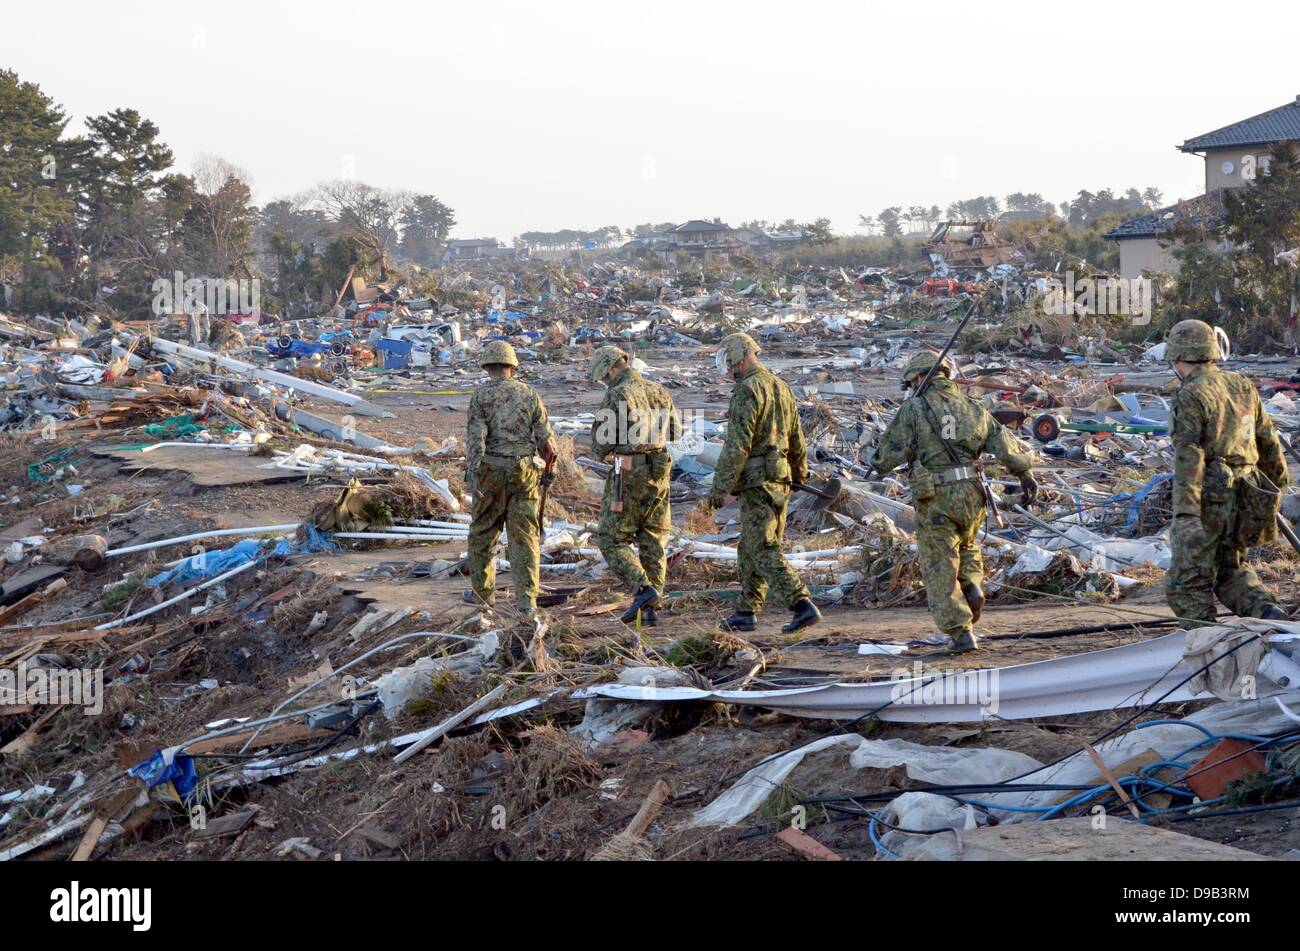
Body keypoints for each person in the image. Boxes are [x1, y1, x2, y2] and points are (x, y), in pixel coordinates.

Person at [871, 351, 1038, 653]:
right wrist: (1025, 472)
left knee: (940, 564)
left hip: (936, 495)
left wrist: (877, 459)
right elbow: (1005, 445)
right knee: (967, 547)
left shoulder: (914, 409)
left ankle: (960, 631)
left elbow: (886, 457)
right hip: (972, 494)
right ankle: (972, 585)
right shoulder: (973, 406)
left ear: (920, 377)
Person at [1163, 319, 1290, 627]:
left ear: (1177, 357)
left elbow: (1189, 458)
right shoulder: (1242, 386)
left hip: (1209, 499)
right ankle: (1271, 619)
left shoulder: (1190, 395)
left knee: (1186, 583)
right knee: (1230, 570)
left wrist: (1187, 515)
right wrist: (1277, 490)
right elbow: (1269, 443)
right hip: (1248, 493)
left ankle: (1206, 645)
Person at [707, 332, 821, 635]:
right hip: (780, 479)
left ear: (738, 359)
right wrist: (799, 475)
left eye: (729, 363)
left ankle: (801, 604)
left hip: (758, 482)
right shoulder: (781, 387)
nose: (729, 370)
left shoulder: (748, 389)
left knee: (762, 547)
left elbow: (737, 445)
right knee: (750, 547)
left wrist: (719, 488)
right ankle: (746, 610)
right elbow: (797, 438)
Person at [589, 346, 681, 626]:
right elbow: (676, 432)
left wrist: (606, 451)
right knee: (653, 538)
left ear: (609, 368)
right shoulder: (658, 389)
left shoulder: (617, 393)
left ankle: (643, 590)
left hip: (628, 469)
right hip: (660, 468)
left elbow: (601, 442)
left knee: (610, 538)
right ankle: (652, 606)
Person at [464, 341, 555, 615]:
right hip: (524, 472)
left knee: (482, 534)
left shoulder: (480, 396)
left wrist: (473, 474)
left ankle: (483, 595)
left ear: (487, 366)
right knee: (524, 538)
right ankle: (527, 602)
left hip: (491, 470)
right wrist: (548, 473)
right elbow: (548, 445)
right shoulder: (529, 394)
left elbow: (476, 442)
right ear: (512, 366)